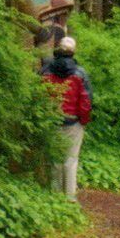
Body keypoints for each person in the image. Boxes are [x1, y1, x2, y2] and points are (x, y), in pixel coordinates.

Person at [40, 36, 92, 202]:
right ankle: (69, 197)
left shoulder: (45, 71)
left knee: (55, 159)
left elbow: (40, 95)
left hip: (52, 119)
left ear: (58, 49)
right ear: (73, 52)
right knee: (71, 159)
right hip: (73, 122)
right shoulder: (80, 73)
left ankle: (55, 196)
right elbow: (85, 101)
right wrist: (84, 120)